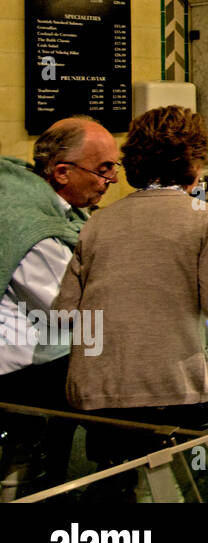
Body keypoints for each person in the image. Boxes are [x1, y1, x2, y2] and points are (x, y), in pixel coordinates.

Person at [53, 107, 208, 431]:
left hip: (92, 396)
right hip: (174, 393)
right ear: (194, 162)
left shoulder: (98, 221)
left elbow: (63, 315)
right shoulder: (205, 216)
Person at [0, 116, 119, 488]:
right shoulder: (37, 232)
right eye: (103, 170)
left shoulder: (26, 194)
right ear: (63, 172)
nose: (112, 180)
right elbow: (72, 310)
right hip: (19, 372)